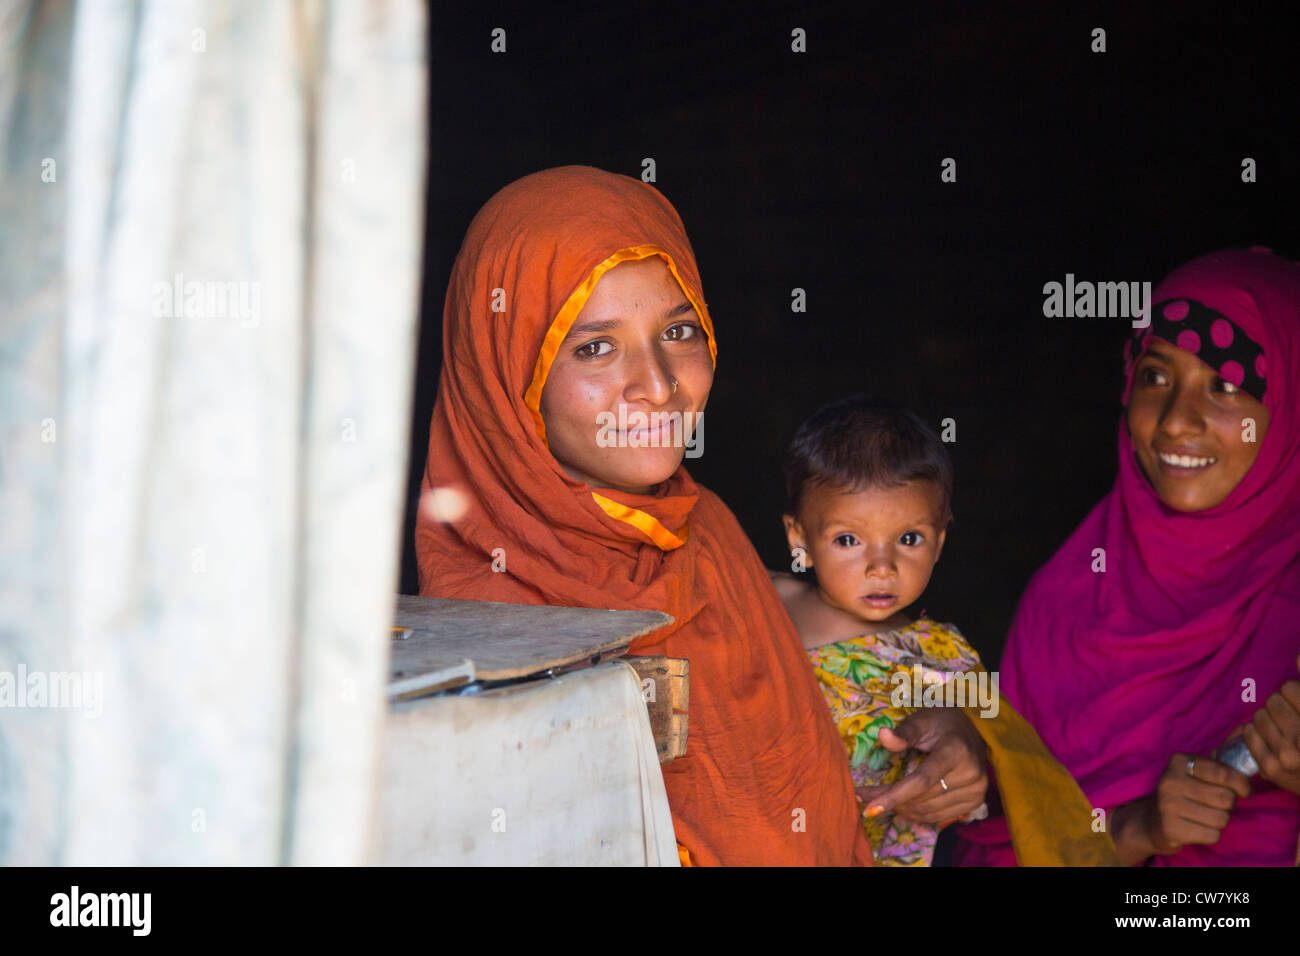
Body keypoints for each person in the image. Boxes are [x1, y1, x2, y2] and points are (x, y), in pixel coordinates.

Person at [414, 165, 894, 865]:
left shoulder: (706, 529)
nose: (659, 385)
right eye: (595, 347)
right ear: (505, 373)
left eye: (678, 330)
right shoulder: (480, 629)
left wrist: (961, 737)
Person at [954, 247, 1300, 866]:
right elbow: (992, 849)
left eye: (1224, 385)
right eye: (1157, 377)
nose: (1173, 423)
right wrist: (1133, 830)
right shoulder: (1066, 603)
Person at [773, 395, 1120, 865]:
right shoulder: (767, 602)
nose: (882, 566)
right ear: (800, 539)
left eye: (908, 539)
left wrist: (964, 738)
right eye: (848, 540)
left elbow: (1010, 758)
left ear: (939, 542)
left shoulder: (940, 652)